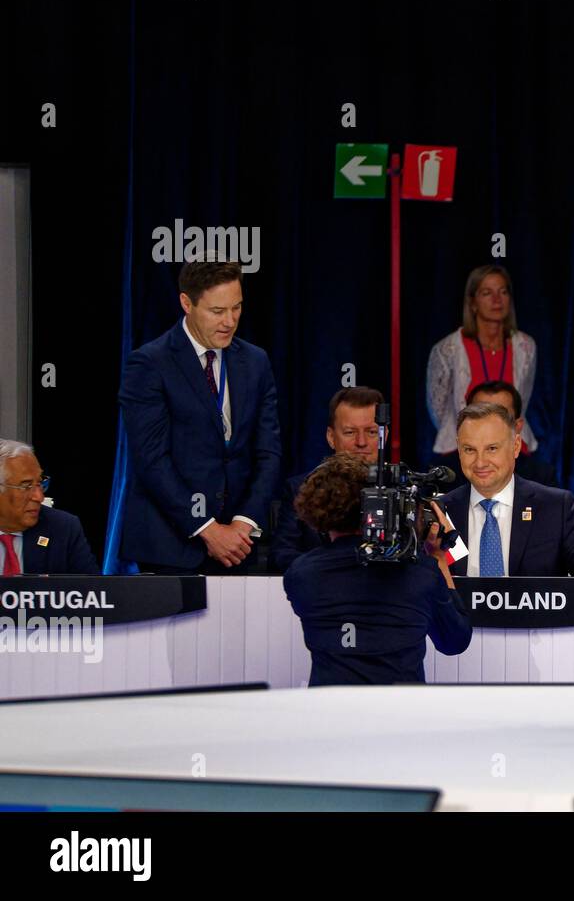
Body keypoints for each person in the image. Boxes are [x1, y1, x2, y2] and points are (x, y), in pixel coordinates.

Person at [118, 258, 281, 574]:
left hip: (241, 545)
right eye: (217, 311)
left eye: (236, 308)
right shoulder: (149, 363)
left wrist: (243, 524)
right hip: (171, 547)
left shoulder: (256, 361)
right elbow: (151, 459)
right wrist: (207, 528)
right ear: (186, 303)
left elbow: (269, 451)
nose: (229, 321)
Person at [283, 455, 472, 686]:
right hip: (400, 715)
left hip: (329, 715)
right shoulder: (421, 574)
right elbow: (454, 641)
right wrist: (438, 558)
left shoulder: (301, 575)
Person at [438, 403, 574, 577]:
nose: (480, 462)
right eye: (469, 450)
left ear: (515, 446)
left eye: (492, 449)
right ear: (459, 449)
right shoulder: (441, 512)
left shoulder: (554, 507)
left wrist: (561, 598)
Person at [426, 265, 538, 469]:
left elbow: (524, 400)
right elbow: (438, 408)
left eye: (503, 292)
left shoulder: (526, 347)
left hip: (514, 452)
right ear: (473, 302)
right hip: (460, 452)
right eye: (487, 293)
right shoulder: (448, 349)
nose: (497, 299)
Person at [269, 387, 384, 573]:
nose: (361, 442)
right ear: (331, 437)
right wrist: (332, 572)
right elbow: (281, 555)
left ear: (383, 435)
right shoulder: (301, 488)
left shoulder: (404, 490)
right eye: (350, 432)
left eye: (371, 432)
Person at [433, 381, 559, 489]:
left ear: (517, 426)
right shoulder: (442, 476)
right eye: (480, 414)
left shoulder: (541, 478)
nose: (480, 463)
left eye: (500, 416)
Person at [0, 440, 98, 575]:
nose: (39, 497)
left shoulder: (63, 529)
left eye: (40, 483)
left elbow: (91, 591)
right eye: (26, 486)